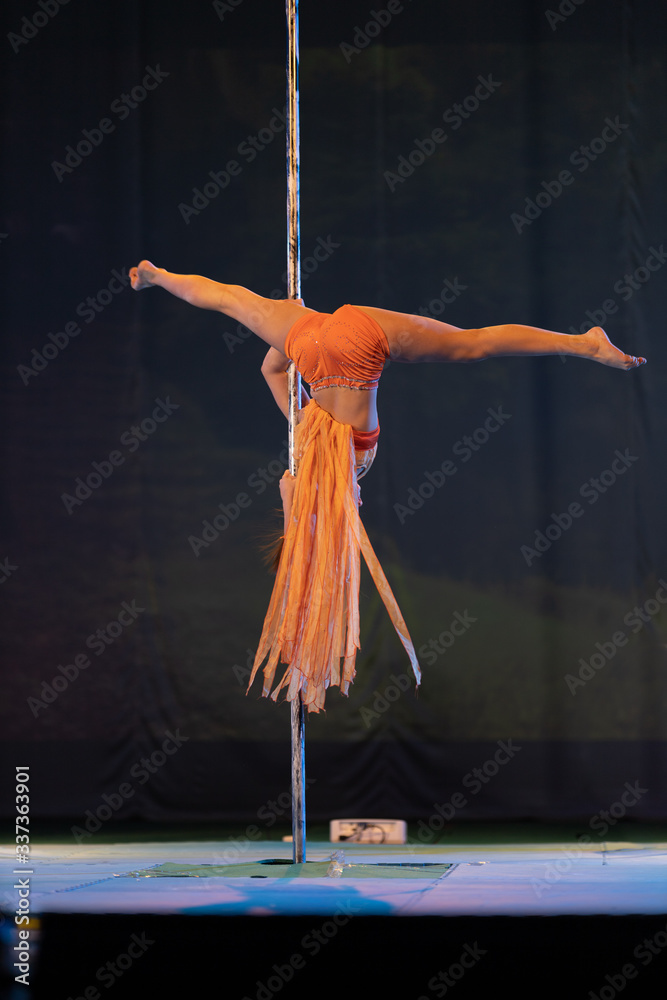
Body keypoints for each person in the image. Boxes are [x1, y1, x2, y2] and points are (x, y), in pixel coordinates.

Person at [129, 260, 646, 711]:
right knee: (229, 300)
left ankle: (585, 345)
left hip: (357, 347)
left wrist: (305, 523)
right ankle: (158, 275)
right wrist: (288, 323)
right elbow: (270, 370)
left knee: (475, 345)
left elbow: (314, 511)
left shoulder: (339, 470)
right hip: (308, 338)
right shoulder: (300, 448)